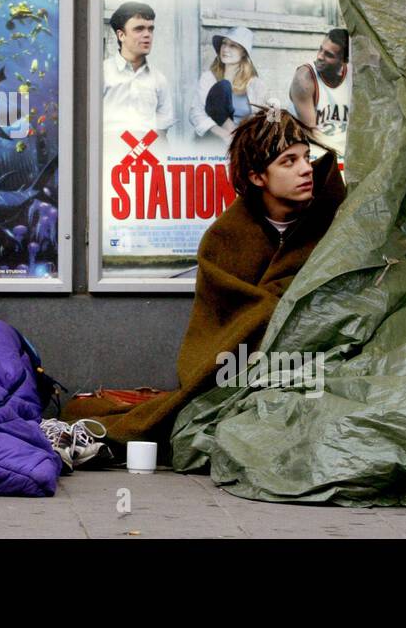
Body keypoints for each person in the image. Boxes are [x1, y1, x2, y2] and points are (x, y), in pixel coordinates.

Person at [62, 109, 345, 443]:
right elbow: (224, 322)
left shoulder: (336, 219)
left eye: (306, 158)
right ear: (257, 178)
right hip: (241, 367)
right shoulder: (225, 238)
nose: (304, 170)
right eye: (288, 161)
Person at [101, 1, 174, 139]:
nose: (147, 35)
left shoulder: (159, 79)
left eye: (150, 29)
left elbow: (162, 131)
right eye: (139, 29)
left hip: (146, 153)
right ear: (121, 35)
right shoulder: (102, 73)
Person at [190, 26, 267, 145]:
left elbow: (262, 118)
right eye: (224, 43)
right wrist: (225, 135)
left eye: (233, 45)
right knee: (223, 86)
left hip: (243, 145)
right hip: (214, 143)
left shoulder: (256, 84)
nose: (225, 49)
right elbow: (196, 114)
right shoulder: (209, 78)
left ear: (243, 53)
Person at [288, 28, 350, 160]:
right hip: (315, 148)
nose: (320, 56)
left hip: (347, 149)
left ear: (344, 60)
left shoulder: (355, 76)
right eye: (320, 49)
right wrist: (345, 155)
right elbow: (311, 132)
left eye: (329, 54)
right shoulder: (304, 78)